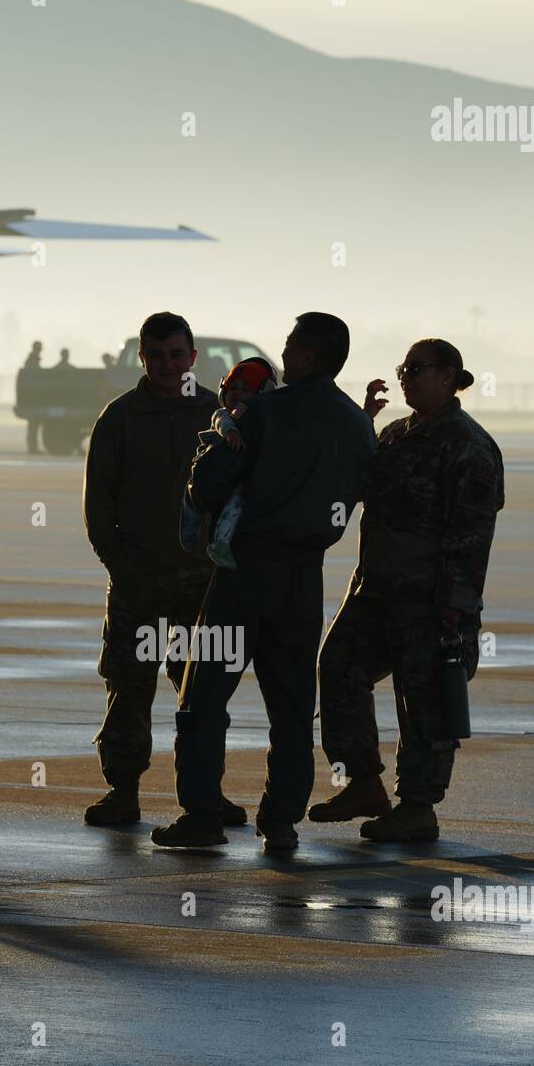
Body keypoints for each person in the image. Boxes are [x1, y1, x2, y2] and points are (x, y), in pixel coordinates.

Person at [151, 312, 376, 851]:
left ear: (305, 355)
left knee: (203, 695)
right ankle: (280, 822)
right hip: (305, 579)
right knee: (292, 707)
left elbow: (208, 488)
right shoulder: (355, 424)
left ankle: (203, 815)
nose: (283, 355)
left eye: (289, 347)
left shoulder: (265, 413)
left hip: (244, 574)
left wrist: (219, 441)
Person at [308, 338, 504, 843]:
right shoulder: (395, 435)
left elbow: (472, 534)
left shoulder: (468, 445)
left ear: (449, 377)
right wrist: (360, 424)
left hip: (431, 601)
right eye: (403, 368)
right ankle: (365, 784)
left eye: (418, 368)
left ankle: (417, 806)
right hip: (375, 591)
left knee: (424, 704)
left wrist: (454, 606)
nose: (406, 376)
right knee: (338, 666)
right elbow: (352, 482)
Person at [83, 310, 247, 828]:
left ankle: (204, 796)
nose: (166, 365)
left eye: (176, 355)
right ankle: (123, 791)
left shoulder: (219, 415)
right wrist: (122, 566)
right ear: (142, 357)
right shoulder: (120, 418)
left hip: (202, 586)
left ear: (193, 358)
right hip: (138, 582)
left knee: (202, 695)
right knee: (129, 688)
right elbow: (98, 506)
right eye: (156, 356)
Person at [180, 357, 278, 568]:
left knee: (235, 505)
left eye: (245, 388)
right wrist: (231, 431)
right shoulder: (226, 415)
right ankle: (188, 532)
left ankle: (221, 543)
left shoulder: (262, 421)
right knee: (191, 500)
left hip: (240, 478)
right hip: (213, 469)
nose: (237, 393)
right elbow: (220, 420)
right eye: (232, 387)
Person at [22, 341, 43, 453]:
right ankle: (32, 447)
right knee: (33, 425)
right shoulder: (32, 361)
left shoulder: (32, 360)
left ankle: (32, 447)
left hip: (32, 398)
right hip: (33, 398)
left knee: (33, 425)